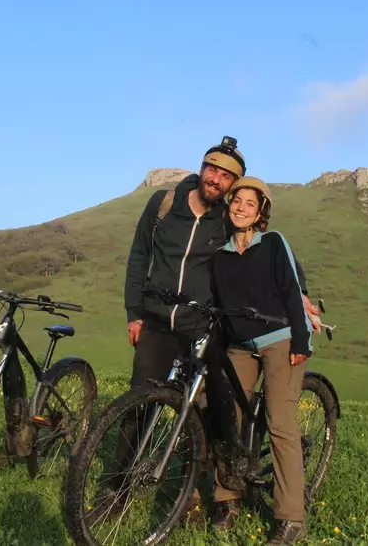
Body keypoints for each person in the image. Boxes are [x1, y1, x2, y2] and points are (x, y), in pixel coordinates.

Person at [118, 137, 320, 522]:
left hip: (208, 328)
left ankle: (228, 501)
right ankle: (122, 488)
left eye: (228, 177)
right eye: (214, 170)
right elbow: (138, 255)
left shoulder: (236, 223)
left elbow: (282, 262)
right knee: (152, 406)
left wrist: (303, 298)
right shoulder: (163, 205)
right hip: (162, 322)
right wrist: (134, 312)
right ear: (202, 168)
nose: (218, 179)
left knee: (224, 412)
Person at [208, 176, 312, 545]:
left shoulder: (272, 243)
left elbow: (291, 290)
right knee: (226, 420)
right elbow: (219, 308)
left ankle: (290, 518)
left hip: (280, 340)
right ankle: (226, 500)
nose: (240, 208)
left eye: (250, 204)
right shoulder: (219, 256)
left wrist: (301, 339)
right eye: (237, 201)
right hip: (239, 345)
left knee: (280, 423)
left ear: (260, 212)